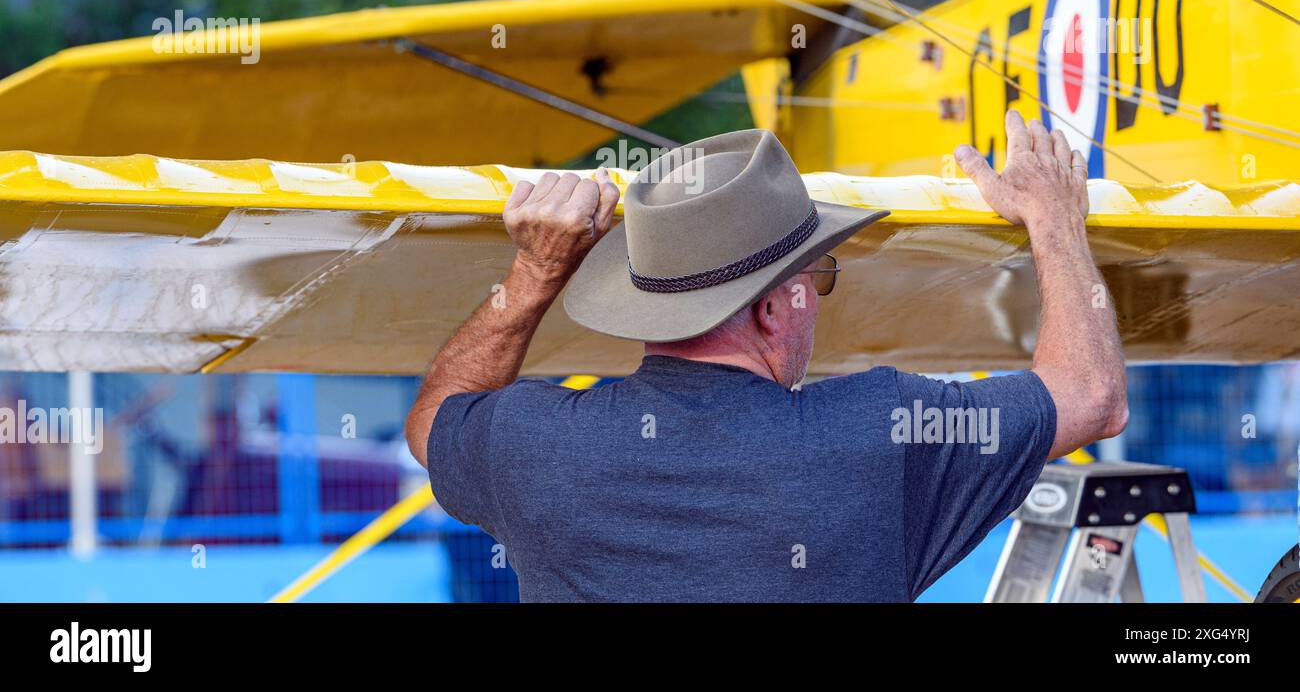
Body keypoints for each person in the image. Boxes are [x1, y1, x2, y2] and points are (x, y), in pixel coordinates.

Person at [405, 110, 1128, 601]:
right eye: (818, 278)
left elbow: (433, 424)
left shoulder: (533, 441)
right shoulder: (885, 430)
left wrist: (535, 273)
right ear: (776, 305)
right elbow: (1092, 394)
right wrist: (1055, 223)